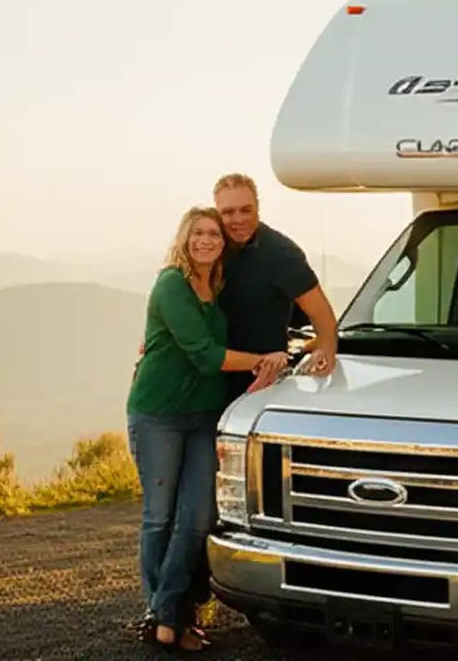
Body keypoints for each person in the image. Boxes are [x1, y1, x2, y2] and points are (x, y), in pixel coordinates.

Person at [126, 206, 289, 653]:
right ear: (184, 237)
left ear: (222, 243)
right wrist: (261, 359)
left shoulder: (215, 285)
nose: (206, 239)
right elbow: (202, 353)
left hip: (204, 415)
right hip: (158, 413)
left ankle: (165, 611)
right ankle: (165, 617)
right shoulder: (172, 284)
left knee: (198, 517)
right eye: (197, 232)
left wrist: (288, 348)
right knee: (159, 517)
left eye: (213, 233)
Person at [210, 172, 338, 399]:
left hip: (262, 382)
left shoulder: (281, 254)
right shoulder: (210, 246)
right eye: (228, 212)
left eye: (246, 209)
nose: (238, 219)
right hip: (207, 381)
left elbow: (321, 313)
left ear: (258, 208)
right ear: (217, 213)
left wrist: (325, 354)